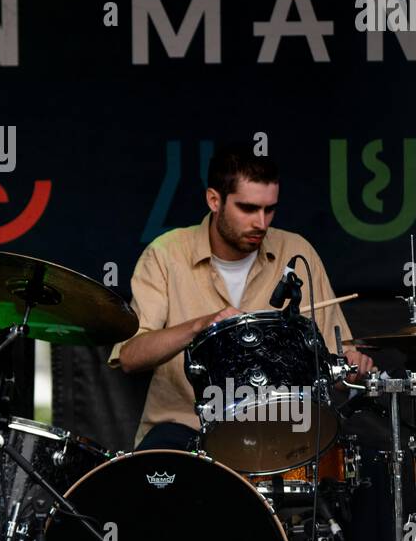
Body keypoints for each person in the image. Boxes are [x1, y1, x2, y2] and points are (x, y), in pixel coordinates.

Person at [110, 142, 373, 452]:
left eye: (269, 209)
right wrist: (200, 326)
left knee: (361, 471)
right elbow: (129, 357)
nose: (261, 223)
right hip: (185, 429)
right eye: (248, 208)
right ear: (213, 200)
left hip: (279, 431)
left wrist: (352, 367)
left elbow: (336, 367)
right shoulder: (166, 254)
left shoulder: (297, 252)